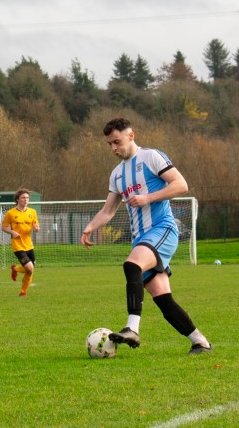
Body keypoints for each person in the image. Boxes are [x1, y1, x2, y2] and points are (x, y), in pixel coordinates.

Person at [81, 117, 211, 355]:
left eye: (117, 142)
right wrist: (90, 227)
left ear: (131, 135)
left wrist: (148, 198)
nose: (113, 148)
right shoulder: (117, 174)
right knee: (164, 300)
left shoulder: (151, 157)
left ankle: (132, 328)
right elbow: (108, 210)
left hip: (162, 229)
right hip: (142, 238)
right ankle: (200, 342)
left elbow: (181, 185)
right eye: (109, 144)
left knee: (131, 265)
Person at [1, 188, 40, 296]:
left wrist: (36, 228)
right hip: (17, 245)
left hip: (29, 244)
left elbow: (36, 226)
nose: (25, 200)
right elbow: (3, 227)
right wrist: (12, 232)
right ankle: (17, 271)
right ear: (17, 199)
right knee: (30, 267)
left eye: (27, 198)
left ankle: (23, 290)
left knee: (30, 271)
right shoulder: (10, 213)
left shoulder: (33, 212)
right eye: (23, 197)